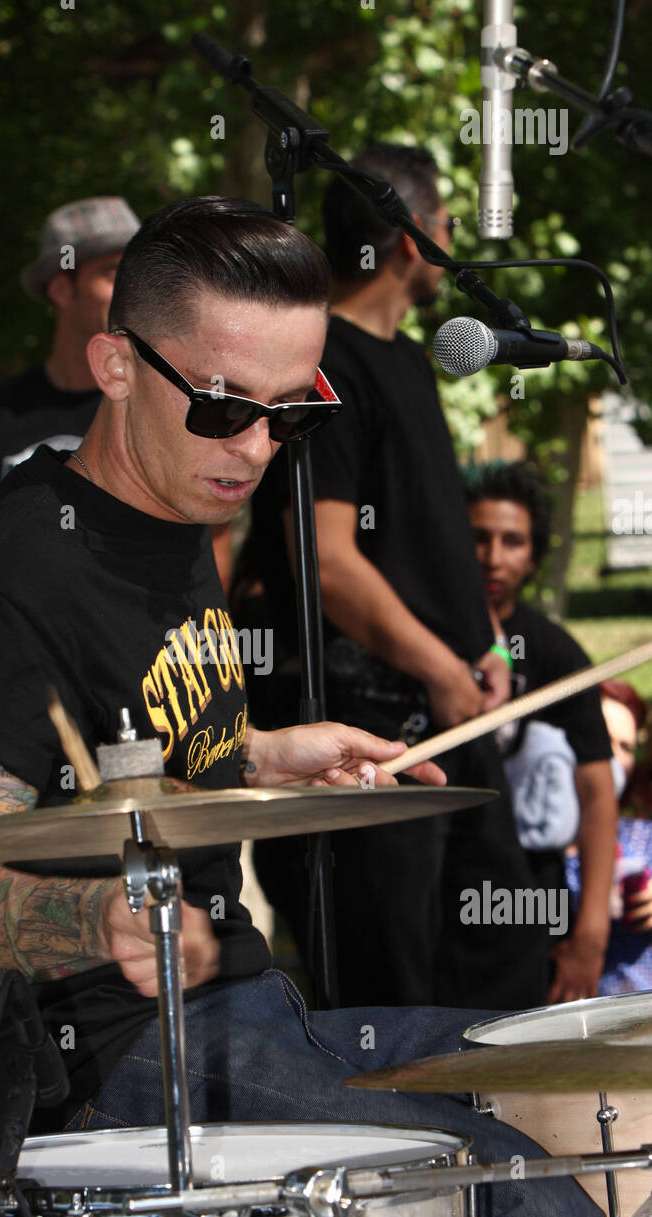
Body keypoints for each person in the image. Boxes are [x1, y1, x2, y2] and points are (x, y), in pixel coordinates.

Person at [0, 196, 603, 1217]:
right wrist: (94, 918)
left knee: (580, 1069)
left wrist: (265, 753)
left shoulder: (177, 516)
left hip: (251, 1007)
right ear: (114, 366)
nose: (258, 448)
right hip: (122, 1063)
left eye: (291, 414)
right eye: (224, 408)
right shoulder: (13, 581)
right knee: (527, 1206)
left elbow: (127, 753)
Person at [245, 145, 537, 1012]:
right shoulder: (323, 360)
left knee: (496, 979)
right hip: (373, 736)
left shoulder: (409, 359)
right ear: (411, 237)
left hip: (448, 719)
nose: (452, 242)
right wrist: (441, 668)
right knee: (393, 1006)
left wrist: (479, 644)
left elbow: (426, 540)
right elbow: (326, 558)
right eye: (445, 222)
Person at [466, 462, 616, 1003]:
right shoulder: (422, 641)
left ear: (534, 555)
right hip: (433, 895)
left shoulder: (556, 653)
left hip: (528, 900)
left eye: (513, 541)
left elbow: (598, 794)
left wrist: (592, 932)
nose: (494, 556)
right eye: (479, 537)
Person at [0, 197, 140, 568]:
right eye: (112, 273)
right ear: (61, 290)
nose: (131, 290)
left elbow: (205, 544)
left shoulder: (160, 406)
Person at [565, 680, 652, 994]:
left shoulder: (643, 838)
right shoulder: (535, 849)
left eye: (626, 747)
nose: (613, 758)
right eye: (602, 740)